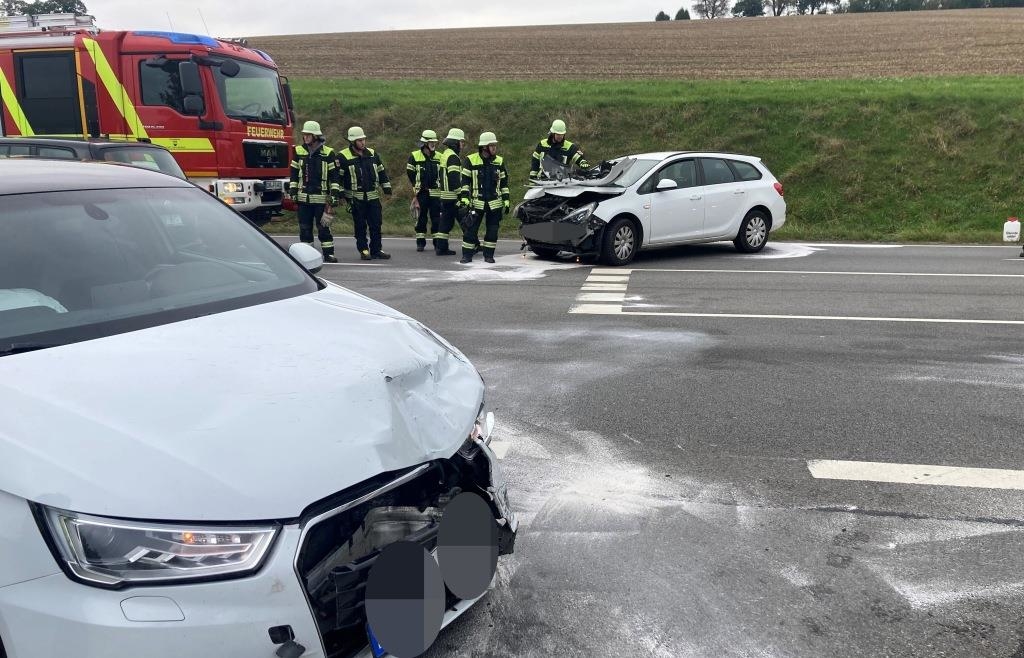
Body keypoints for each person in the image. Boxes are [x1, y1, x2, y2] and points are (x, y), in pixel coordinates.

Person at [288, 120, 341, 262]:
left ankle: (328, 254)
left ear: (316, 136)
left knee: (324, 228)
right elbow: (293, 174)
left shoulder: (328, 153)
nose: (305, 137)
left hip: (321, 199)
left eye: (308, 135)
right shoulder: (299, 151)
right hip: (303, 199)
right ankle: (307, 256)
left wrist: (335, 195)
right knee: (305, 229)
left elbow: (335, 177)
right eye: (304, 135)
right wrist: (293, 191)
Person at [337, 126, 393, 260]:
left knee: (376, 224)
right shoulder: (343, 156)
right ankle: (363, 250)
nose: (363, 142)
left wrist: (387, 188)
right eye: (359, 140)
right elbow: (338, 178)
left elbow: (381, 171)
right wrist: (340, 195)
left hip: (373, 197)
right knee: (360, 226)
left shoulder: (372, 154)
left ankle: (376, 249)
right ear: (352, 142)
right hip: (356, 199)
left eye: (363, 139)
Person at [458, 132, 509, 264]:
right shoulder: (470, 160)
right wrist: (465, 198)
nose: (494, 148)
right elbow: (465, 182)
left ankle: (488, 255)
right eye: (492, 145)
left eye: (495, 145)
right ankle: (467, 256)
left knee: (492, 232)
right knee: (470, 231)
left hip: (495, 203)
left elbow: (503, 183)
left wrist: (506, 199)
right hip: (477, 203)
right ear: (484, 147)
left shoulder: (499, 161)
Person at [406, 130, 442, 252]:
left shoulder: (440, 157)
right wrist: (416, 191)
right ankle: (420, 243)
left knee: (436, 218)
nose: (433, 144)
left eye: (434, 142)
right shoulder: (414, 156)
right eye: (431, 142)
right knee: (421, 218)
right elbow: (410, 174)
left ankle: (437, 243)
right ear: (425, 143)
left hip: (436, 193)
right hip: (421, 193)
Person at [432, 128, 466, 256]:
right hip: (453, 196)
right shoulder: (452, 157)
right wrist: (461, 194)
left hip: (445, 196)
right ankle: (473, 245)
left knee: (445, 223)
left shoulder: (446, 154)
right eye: (461, 142)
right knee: (466, 220)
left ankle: (441, 248)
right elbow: (454, 178)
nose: (462, 145)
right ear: (455, 143)